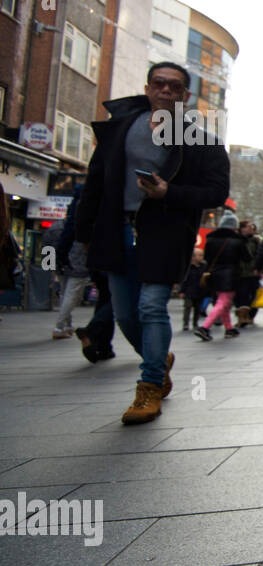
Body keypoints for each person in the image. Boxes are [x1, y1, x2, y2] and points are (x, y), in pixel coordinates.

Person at [76, 61, 230, 423]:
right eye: (158, 84)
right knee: (125, 314)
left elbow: (216, 192)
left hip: (164, 234)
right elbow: (94, 183)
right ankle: (158, 359)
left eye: (174, 87)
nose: (165, 90)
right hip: (117, 231)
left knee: (151, 307)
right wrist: (83, 234)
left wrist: (169, 192)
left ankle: (149, 387)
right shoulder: (120, 131)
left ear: (185, 97)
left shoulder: (201, 142)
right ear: (147, 88)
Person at [193, 211, 248, 340]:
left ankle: (229, 328)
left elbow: (206, 257)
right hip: (230, 274)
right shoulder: (237, 240)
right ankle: (205, 327)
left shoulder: (211, 239)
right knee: (223, 301)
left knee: (225, 302)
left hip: (214, 273)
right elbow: (247, 257)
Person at [51, 188, 90, 339]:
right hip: (77, 263)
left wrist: (51, 267)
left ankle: (67, 325)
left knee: (64, 293)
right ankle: (59, 326)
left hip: (60, 263)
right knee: (71, 295)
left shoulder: (57, 226)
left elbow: (47, 246)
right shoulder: (81, 225)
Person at [234, 219, 261, 327]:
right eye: (249, 227)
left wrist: (259, 269)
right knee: (240, 296)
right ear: (242, 228)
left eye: (252, 227)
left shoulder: (255, 241)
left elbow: (259, 255)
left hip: (252, 272)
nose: (252, 229)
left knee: (253, 295)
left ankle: (250, 316)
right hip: (240, 273)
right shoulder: (237, 240)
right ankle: (242, 317)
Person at [180, 247, 205, 331]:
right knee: (188, 307)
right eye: (198, 255)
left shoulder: (204, 267)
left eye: (201, 255)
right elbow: (184, 280)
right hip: (189, 291)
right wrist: (182, 291)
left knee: (197, 308)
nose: (200, 257)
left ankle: (195, 323)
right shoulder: (188, 267)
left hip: (200, 291)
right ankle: (186, 323)